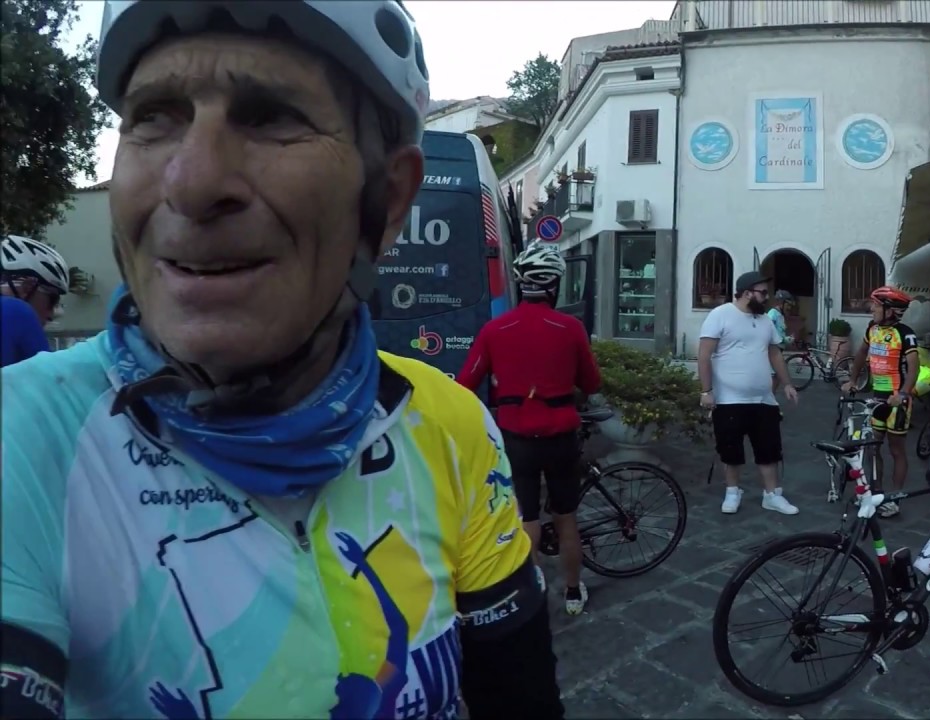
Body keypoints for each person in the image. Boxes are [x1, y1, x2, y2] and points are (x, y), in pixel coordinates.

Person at [0, 2, 563, 718]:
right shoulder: (21, 434)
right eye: (155, 116)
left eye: (270, 116)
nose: (192, 183)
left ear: (389, 202)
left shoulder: (447, 423)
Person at [457, 243, 601, 617]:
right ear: (553, 285)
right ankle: (572, 592)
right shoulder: (571, 328)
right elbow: (592, 381)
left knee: (527, 520)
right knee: (566, 518)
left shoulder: (495, 329)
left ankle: (532, 597)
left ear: (522, 284)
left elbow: (464, 384)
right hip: (561, 437)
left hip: (517, 439)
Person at [698, 271, 800, 516]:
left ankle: (772, 495)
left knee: (769, 449)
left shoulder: (765, 321)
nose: (767, 298)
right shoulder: (720, 315)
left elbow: (775, 353)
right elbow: (704, 355)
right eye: (763, 293)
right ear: (746, 293)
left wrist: (787, 383)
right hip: (728, 399)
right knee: (730, 449)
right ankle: (732, 492)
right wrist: (706, 391)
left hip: (764, 399)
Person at [840, 286, 918, 518]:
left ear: (889, 310)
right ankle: (876, 493)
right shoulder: (872, 329)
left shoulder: (905, 333)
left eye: (875, 304)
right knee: (873, 448)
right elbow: (862, 353)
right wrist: (853, 380)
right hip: (876, 397)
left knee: (896, 450)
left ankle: (895, 498)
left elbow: (914, 368)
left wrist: (903, 394)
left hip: (896, 399)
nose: (871, 308)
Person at [1, 235, 68, 367]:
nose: (52, 314)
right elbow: (50, 381)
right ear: (27, 287)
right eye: (52, 299)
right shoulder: (15, 311)